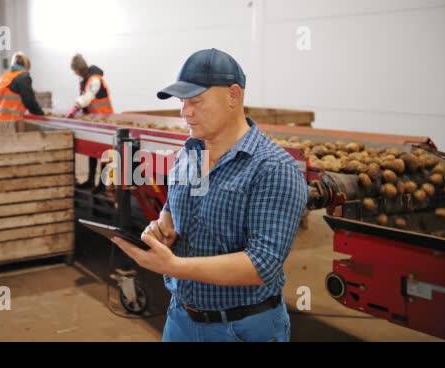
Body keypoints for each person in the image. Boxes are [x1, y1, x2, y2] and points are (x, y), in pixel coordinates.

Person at [112, 49, 308, 342]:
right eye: (182, 102)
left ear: (233, 95)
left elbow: (262, 264)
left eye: (196, 101)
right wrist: (163, 227)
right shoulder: (189, 153)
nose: (184, 111)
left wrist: (175, 267)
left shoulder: (273, 168)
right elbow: (171, 207)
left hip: (242, 328)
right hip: (180, 319)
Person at [68, 54, 114, 191]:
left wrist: (75, 107)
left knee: (104, 154)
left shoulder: (95, 79)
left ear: (79, 68)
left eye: (74, 70)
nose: (75, 73)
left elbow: (88, 97)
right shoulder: (86, 79)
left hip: (105, 120)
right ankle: (90, 180)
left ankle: (101, 185)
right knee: (93, 152)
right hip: (94, 121)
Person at [0, 51, 44, 121]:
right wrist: (40, 114)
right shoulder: (23, 77)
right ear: (26, 66)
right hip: (12, 121)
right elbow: (29, 101)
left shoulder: (3, 77)